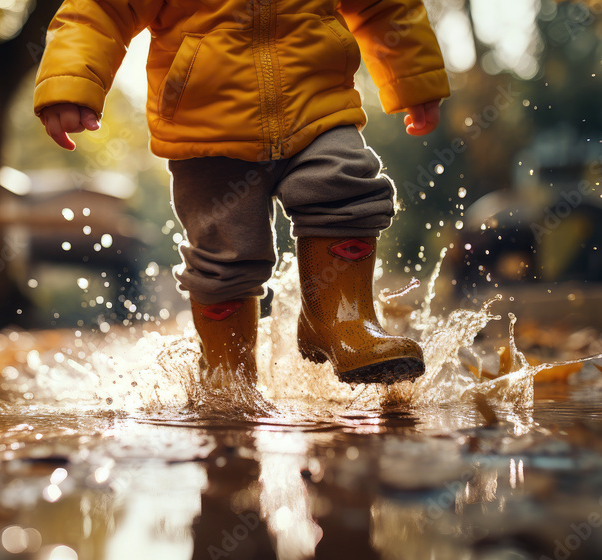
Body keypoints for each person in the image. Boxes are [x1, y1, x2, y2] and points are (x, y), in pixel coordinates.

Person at [33, 0, 449, 387]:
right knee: (224, 254)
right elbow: (101, 9)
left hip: (318, 108)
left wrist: (414, 75)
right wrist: (72, 80)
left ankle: (342, 320)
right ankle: (227, 371)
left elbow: (383, 5)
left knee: (347, 185)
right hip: (207, 130)